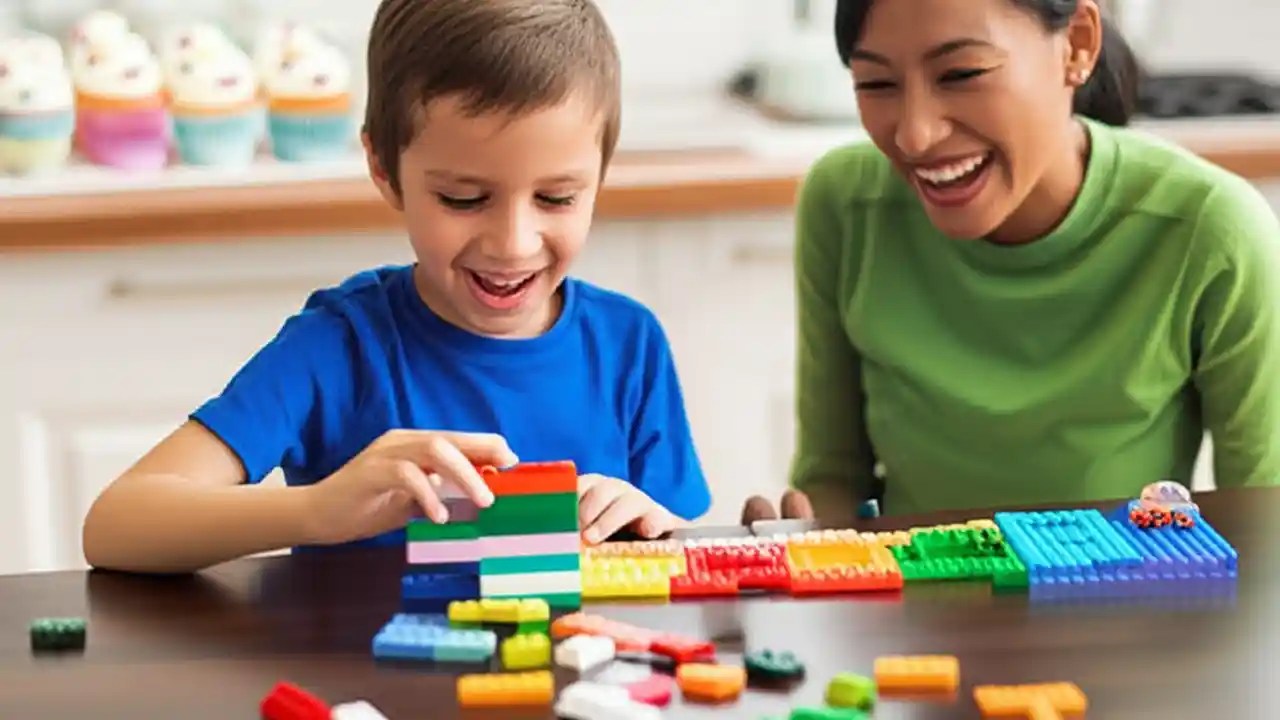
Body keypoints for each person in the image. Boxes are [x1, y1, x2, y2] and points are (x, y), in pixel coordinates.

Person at [82, 0, 711, 574]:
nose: (513, 242)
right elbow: (117, 525)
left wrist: (650, 528)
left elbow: (679, 548)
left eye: (557, 197)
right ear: (384, 170)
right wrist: (316, 510)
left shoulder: (630, 345)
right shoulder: (338, 346)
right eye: (463, 198)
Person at [743, 0, 1280, 525]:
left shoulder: (1209, 229)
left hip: (1124, 608)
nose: (914, 135)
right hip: (909, 606)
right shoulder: (845, 202)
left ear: (1077, 45)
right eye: (876, 84)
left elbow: (1266, 521)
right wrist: (798, 556)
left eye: (961, 73)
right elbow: (832, 478)